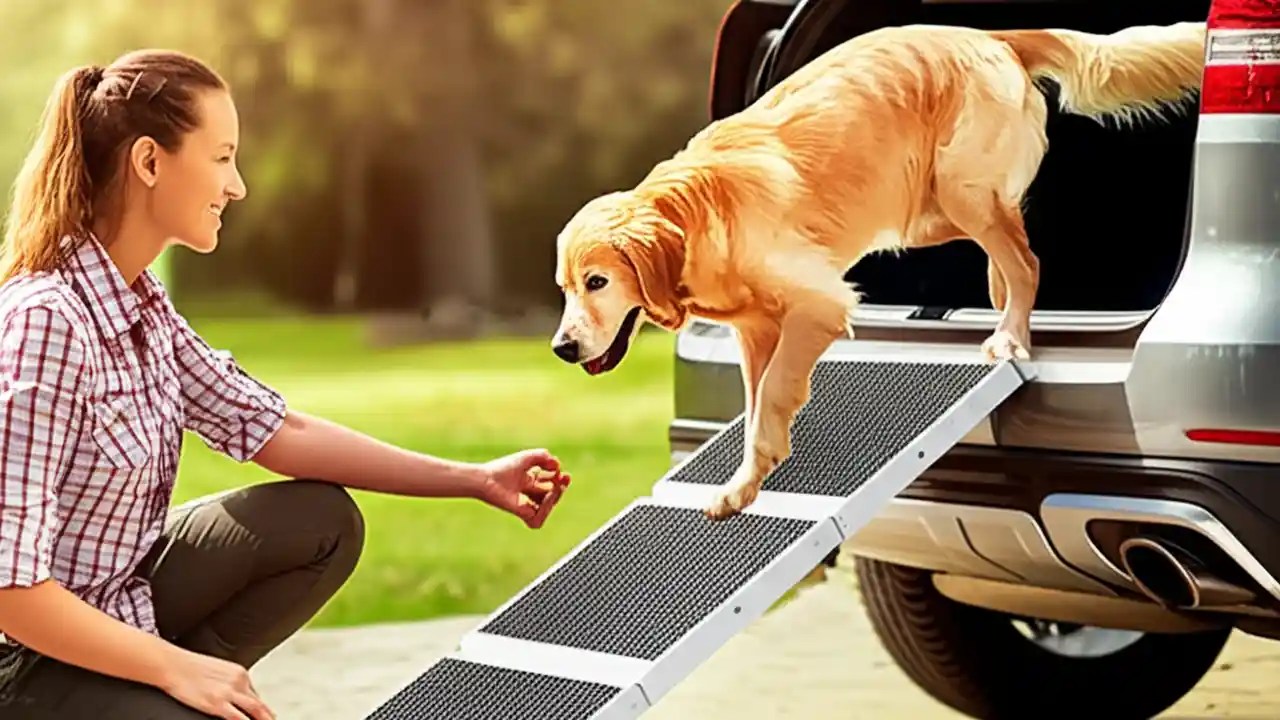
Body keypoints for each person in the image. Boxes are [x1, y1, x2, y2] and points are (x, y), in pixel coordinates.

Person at [0, 49, 571, 720]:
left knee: (320, 523)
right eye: (221, 157)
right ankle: (161, 693)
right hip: (23, 659)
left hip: (116, 602)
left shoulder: (140, 305)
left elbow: (278, 431)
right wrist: (178, 668)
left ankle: (162, 694)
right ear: (150, 162)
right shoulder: (46, 322)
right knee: (189, 699)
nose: (236, 185)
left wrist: (476, 479)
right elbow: (10, 590)